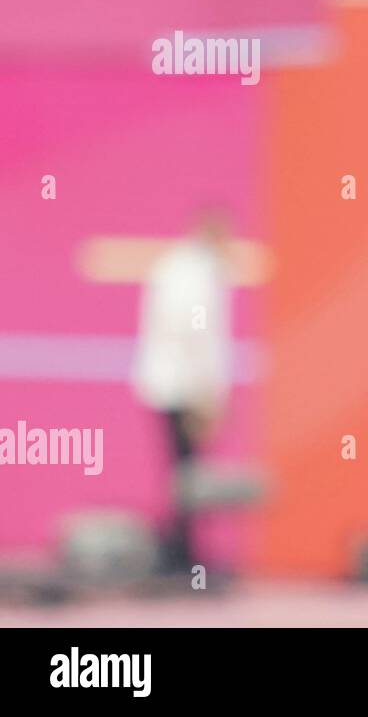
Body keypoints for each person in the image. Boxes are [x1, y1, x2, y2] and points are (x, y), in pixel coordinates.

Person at [130, 206, 233, 576]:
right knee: (186, 472)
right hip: (181, 388)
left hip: (173, 384)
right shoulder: (195, 273)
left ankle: (184, 548)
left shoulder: (178, 267)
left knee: (184, 470)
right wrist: (205, 394)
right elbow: (194, 335)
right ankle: (183, 552)